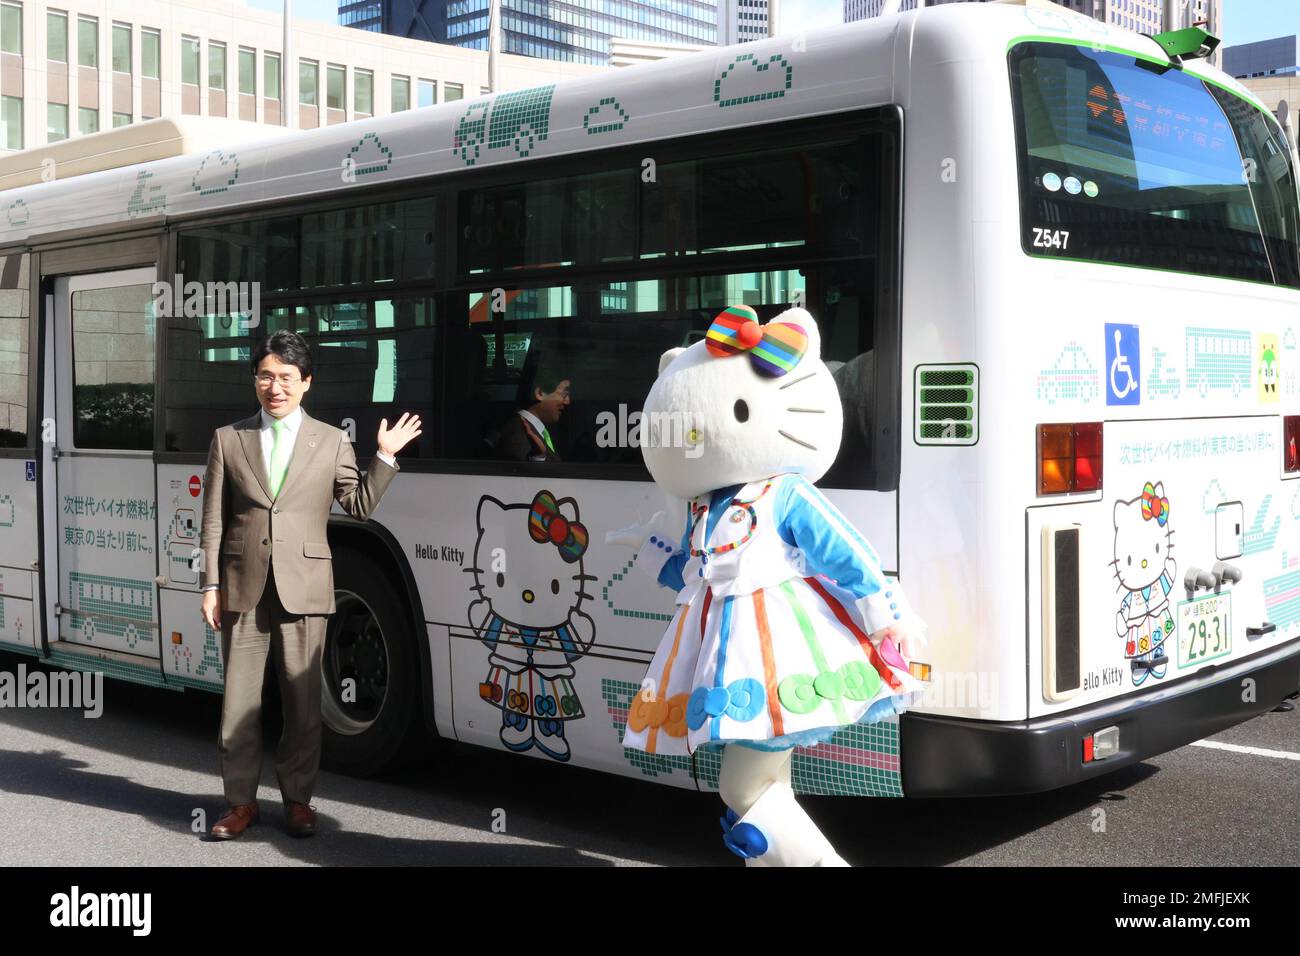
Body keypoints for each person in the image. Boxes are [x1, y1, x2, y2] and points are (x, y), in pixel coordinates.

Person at [198, 329, 422, 840]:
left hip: (304, 588)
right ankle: (239, 804)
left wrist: (384, 457)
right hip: (241, 586)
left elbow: (359, 504)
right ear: (255, 380)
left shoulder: (332, 440)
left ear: (306, 383)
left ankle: (298, 801)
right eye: (265, 376)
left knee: (302, 704)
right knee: (238, 703)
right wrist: (210, 584)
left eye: (284, 377)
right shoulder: (228, 439)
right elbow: (212, 520)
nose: (274, 387)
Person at [492, 373, 571, 462]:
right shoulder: (517, 433)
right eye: (564, 394)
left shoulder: (539, 429)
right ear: (540, 394)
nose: (567, 401)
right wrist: (539, 457)